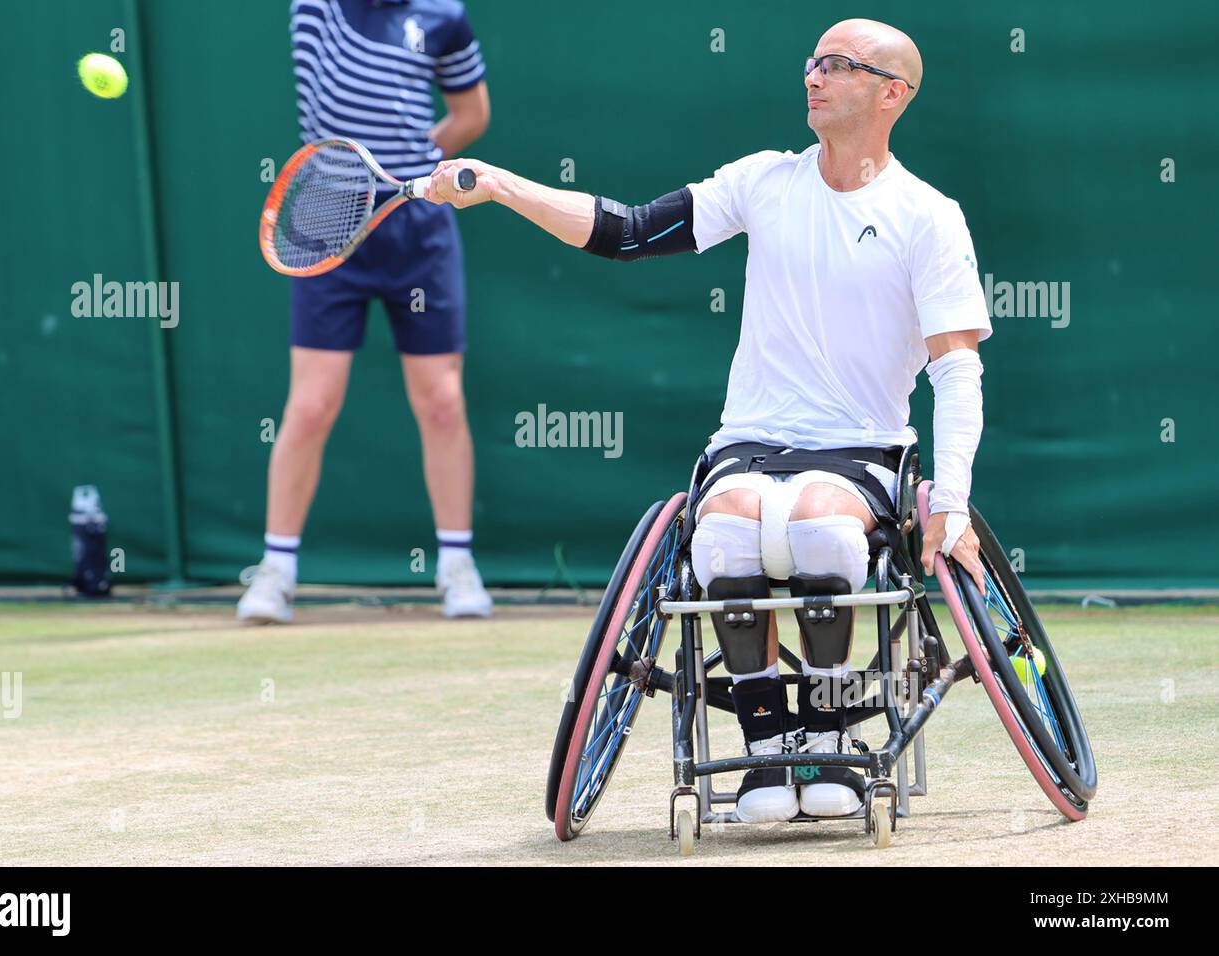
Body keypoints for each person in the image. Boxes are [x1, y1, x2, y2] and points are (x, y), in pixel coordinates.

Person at [424, 19, 993, 822]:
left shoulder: (929, 216)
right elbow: (625, 232)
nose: (814, 76)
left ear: (891, 93)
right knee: (725, 528)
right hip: (751, 444)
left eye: (839, 65)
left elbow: (956, 368)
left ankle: (826, 740)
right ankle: (767, 750)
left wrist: (952, 499)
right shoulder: (764, 181)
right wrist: (501, 184)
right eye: (813, 61)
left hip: (862, 449)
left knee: (824, 528)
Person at [239, 0, 494, 623]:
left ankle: (456, 566)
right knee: (312, 402)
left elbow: (472, 113)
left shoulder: (443, 15)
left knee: (440, 399)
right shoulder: (316, 7)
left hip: (417, 231)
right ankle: (276, 571)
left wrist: (414, 166)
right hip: (325, 223)